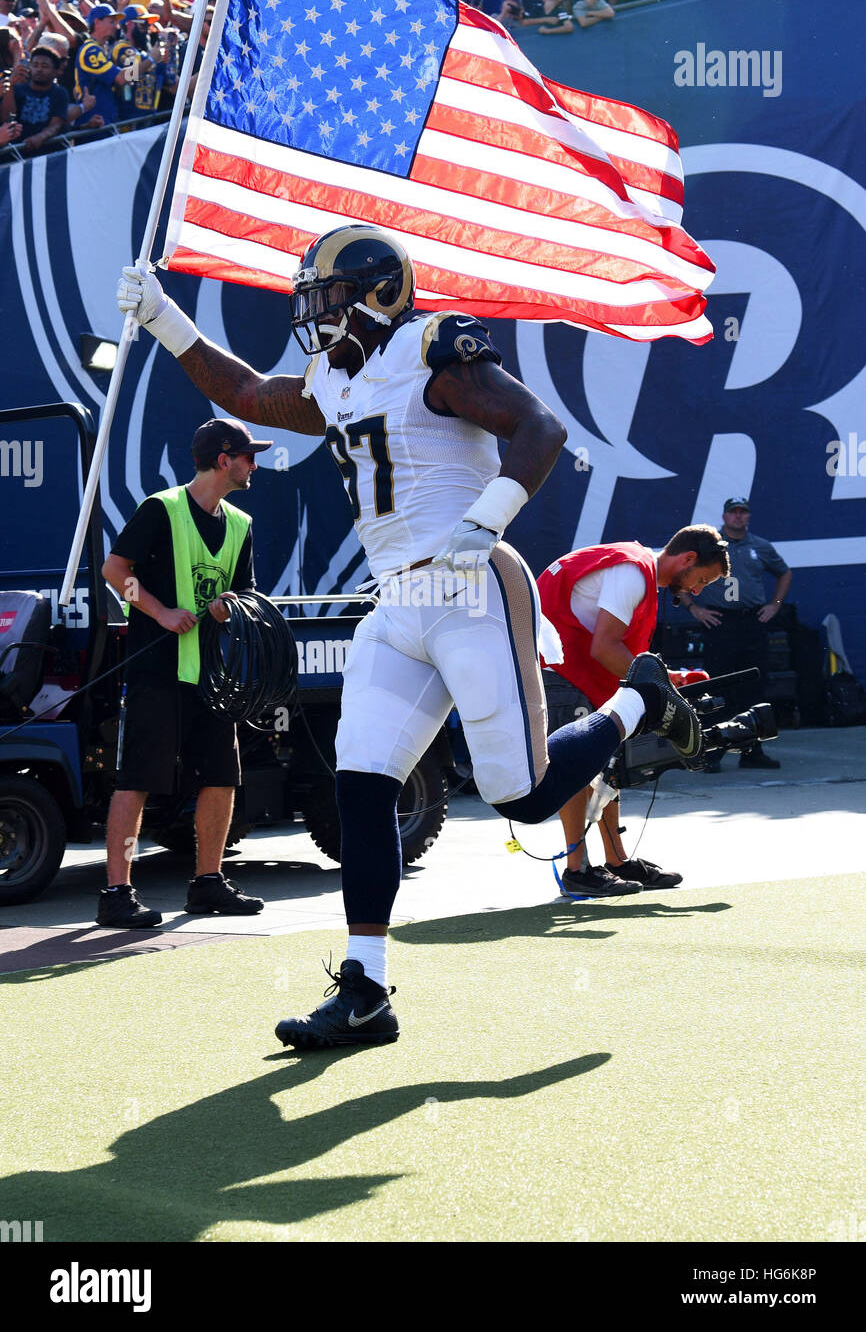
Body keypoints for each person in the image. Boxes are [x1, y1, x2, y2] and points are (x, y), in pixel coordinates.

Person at [116, 223, 703, 1046]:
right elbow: (249, 395)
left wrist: (487, 514)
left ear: (380, 293)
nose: (316, 313)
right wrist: (164, 321)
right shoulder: (335, 378)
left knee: (524, 796)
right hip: (396, 601)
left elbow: (539, 428)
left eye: (330, 297)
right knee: (362, 788)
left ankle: (641, 700)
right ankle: (366, 987)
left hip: (469, 586)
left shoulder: (430, 349)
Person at [97, 418, 272, 929]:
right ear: (224, 460)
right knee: (138, 781)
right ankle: (116, 892)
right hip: (156, 671)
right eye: (247, 455)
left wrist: (227, 607)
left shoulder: (240, 524)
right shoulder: (162, 509)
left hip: (212, 677)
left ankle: (208, 883)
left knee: (222, 778)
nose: (254, 464)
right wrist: (160, 612)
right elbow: (115, 572)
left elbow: (245, 595)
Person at [537, 525, 728, 894]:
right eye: (701, 579)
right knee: (578, 769)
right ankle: (577, 871)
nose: (697, 590)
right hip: (561, 673)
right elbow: (605, 648)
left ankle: (617, 861)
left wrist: (667, 678)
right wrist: (662, 691)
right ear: (687, 559)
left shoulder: (638, 571)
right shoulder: (633, 572)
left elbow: (619, 654)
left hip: (576, 670)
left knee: (606, 767)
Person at [681, 496, 791, 770]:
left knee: (754, 688)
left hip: (752, 622)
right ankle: (711, 753)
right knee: (717, 688)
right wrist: (694, 608)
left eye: (743, 512)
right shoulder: (709, 545)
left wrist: (774, 606)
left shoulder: (760, 546)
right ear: (725, 515)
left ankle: (752, 751)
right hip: (720, 623)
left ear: (748, 517)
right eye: (734, 512)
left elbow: (785, 573)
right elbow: (680, 576)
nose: (738, 517)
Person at [1, 42, 69, 152]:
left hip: (45, 154)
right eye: (35, 65)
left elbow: (56, 125)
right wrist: (11, 87)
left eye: (45, 66)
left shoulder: (60, 93)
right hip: (15, 153)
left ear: (55, 71)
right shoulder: (18, 89)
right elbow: (6, 119)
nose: (39, 70)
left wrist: (40, 137)